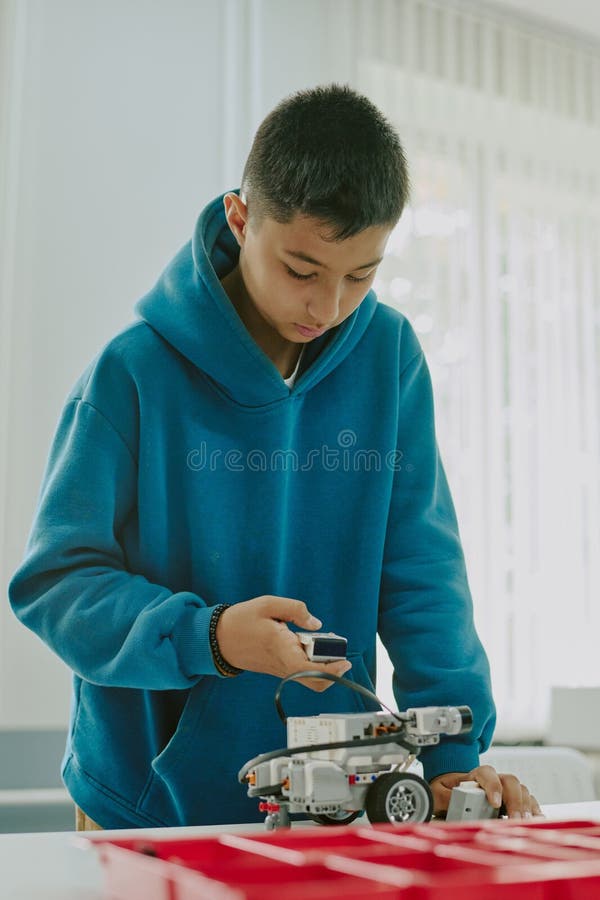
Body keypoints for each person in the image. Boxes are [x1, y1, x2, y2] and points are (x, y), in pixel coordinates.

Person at [8, 84, 540, 829]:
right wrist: (212, 638)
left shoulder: (388, 358)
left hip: (330, 803)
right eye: (301, 269)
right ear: (241, 216)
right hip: (142, 806)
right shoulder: (131, 374)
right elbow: (56, 583)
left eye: (361, 275)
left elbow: (420, 570)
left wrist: (453, 759)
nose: (327, 306)